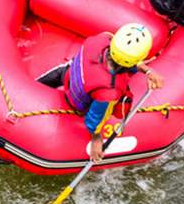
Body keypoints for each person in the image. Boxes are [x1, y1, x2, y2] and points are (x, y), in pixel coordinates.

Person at [36, 23, 164, 161]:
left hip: (66, 75)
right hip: (77, 103)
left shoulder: (101, 39)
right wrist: (96, 138)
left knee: (62, 71)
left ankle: (35, 84)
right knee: (108, 106)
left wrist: (147, 70)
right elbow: (94, 119)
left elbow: (120, 56)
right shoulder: (109, 91)